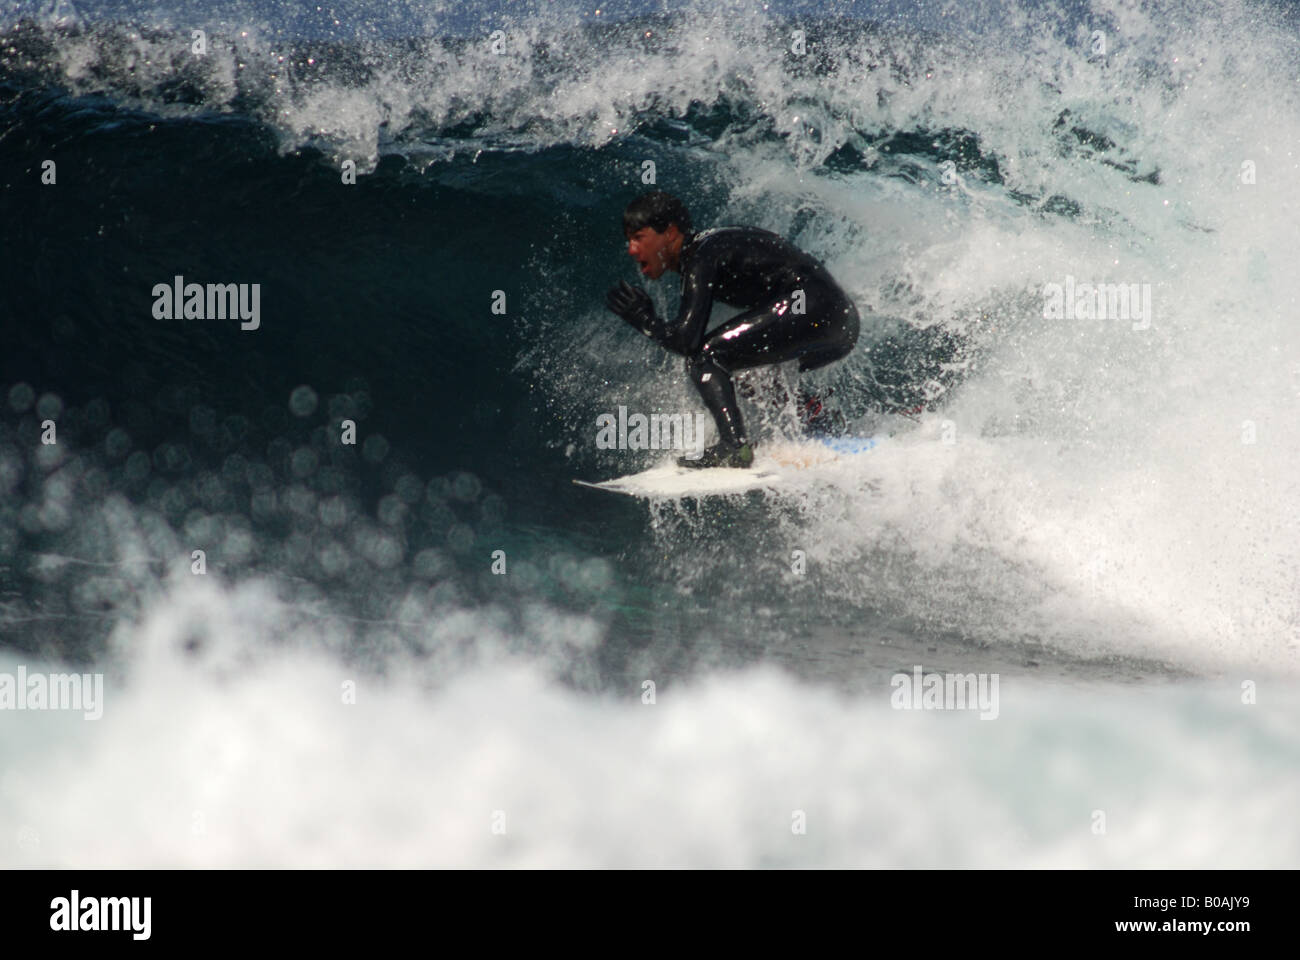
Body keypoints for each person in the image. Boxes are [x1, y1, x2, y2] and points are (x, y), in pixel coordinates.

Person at [606, 191, 860, 468]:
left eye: (638, 238)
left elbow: (686, 341)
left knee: (707, 358)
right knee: (743, 369)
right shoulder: (709, 248)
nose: (631, 249)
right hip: (840, 322)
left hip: (810, 305)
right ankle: (817, 419)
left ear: (669, 233)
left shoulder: (701, 256)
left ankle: (733, 448)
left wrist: (643, 319)